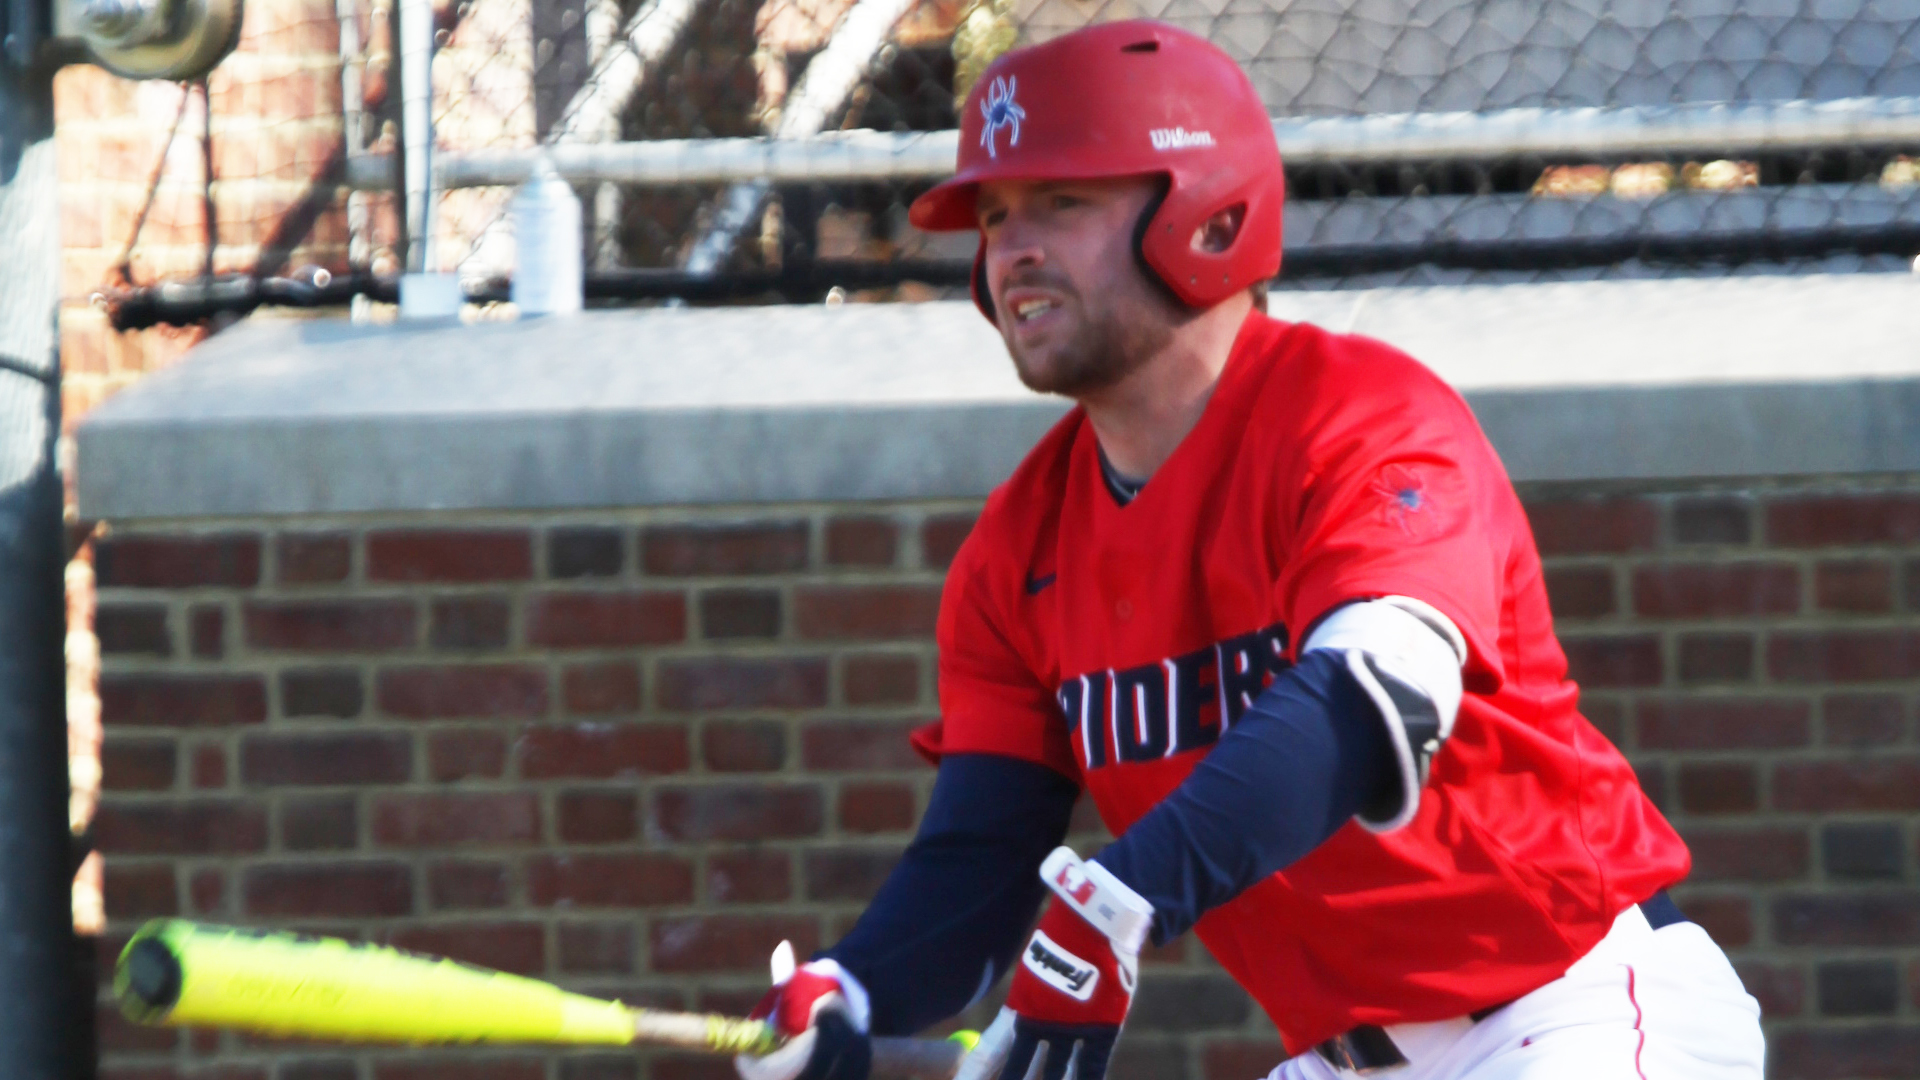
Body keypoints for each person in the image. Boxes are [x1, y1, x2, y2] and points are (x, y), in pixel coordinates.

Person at [735, 20, 1766, 1080]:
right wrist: (853, 988)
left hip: (1572, 1008)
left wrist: (1117, 903)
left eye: (1063, 201)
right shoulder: (1014, 551)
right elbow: (981, 855)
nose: (1014, 247)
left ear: (1210, 211)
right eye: (994, 216)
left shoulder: (1362, 414)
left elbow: (1368, 706)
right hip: (1340, 1058)